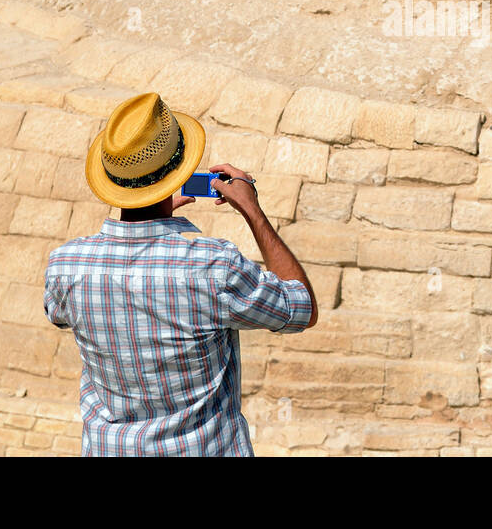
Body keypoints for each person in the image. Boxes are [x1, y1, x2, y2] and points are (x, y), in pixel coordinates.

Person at [43, 91, 317, 456]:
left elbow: (62, 312)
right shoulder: (213, 267)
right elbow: (300, 308)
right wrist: (252, 211)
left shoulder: (67, 267)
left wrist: (149, 208)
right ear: (178, 176)